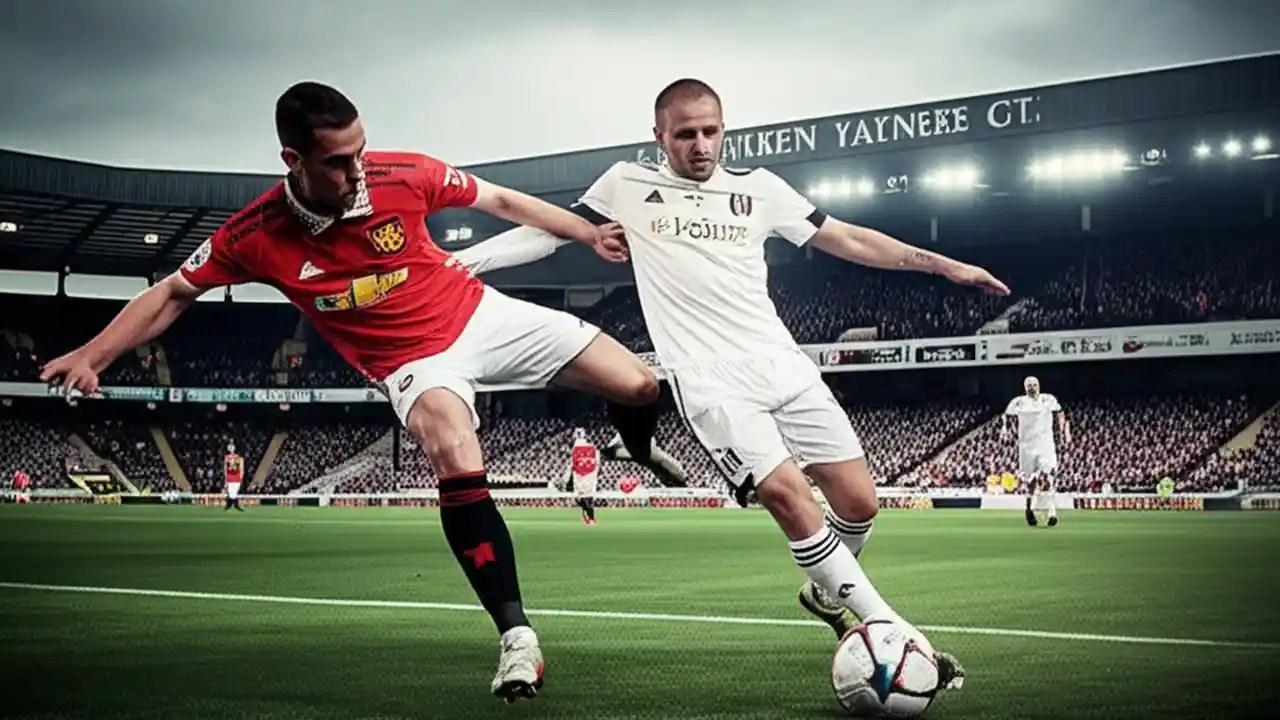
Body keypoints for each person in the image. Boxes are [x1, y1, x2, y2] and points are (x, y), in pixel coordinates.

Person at [39, 80, 667, 704]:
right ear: (295, 161)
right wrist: (93, 356)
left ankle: (635, 449)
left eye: (361, 151)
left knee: (640, 385)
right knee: (454, 446)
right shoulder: (255, 233)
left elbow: (500, 199)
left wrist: (587, 234)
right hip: (412, 362)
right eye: (338, 162)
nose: (357, 171)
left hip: (480, 314)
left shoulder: (405, 174)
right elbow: (174, 290)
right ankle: (517, 636)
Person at [454, 77, 1010, 693]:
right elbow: (548, 232)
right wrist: (462, 262)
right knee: (787, 496)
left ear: (725, 129)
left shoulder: (760, 189)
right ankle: (898, 632)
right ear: (659, 135)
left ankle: (826, 592)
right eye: (685, 133)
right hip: (709, 381)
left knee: (859, 504)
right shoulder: (626, 185)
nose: (700, 145)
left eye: (710, 131)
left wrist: (946, 265)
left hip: (782, 362)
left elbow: (847, 238)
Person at [1003, 376, 1070, 527]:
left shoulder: (1048, 399)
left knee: (1048, 478)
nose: (1032, 387)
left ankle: (1052, 513)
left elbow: (1060, 413)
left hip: (1045, 445)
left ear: (1039, 385)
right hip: (1026, 447)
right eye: (1029, 385)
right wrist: (1005, 430)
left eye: (1034, 384)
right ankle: (1029, 510)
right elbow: (1006, 416)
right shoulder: (1018, 402)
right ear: (1025, 387)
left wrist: (1064, 432)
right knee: (1031, 483)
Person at [564, 427, 599, 525]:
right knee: (588, 496)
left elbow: (572, 464)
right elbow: (596, 462)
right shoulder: (592, 448)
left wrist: (567, 477)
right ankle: (590, 517)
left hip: (579, 474)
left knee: (581, 496)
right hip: (590, 473)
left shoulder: (574, 450)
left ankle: (589, 517)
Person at [224, 443, 245, 512]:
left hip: (231, 476)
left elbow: (225, 468)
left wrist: (226, 478)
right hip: (236, 477)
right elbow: (241, 468)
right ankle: (234, 505)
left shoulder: (227, 457)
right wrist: (241, 477)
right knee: (233, 493)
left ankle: (230, 506)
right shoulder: (239, 458)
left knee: (232, 493)